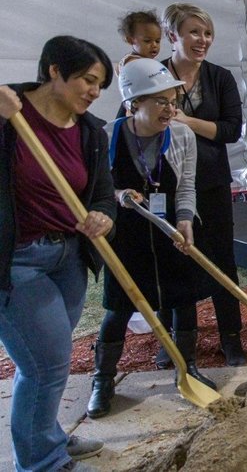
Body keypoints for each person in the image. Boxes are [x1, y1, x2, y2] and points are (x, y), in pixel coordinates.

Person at [1, 35, 114, 472]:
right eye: (88, 79)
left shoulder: (90, 132)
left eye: (100, 84)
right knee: (44, 364)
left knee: (52, 359)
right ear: (53, 71)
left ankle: (47, 437)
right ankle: (41, 462)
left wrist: (103, 217)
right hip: (17, 262)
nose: (94, 91)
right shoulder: (8, 111)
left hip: (68, 257)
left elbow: (101, 195)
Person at [88, 59, 215, 421]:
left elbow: (187, 184)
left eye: (172, 100)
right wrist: (117, 194)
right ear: (133, 104)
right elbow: (93, 189)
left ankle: (186, 367)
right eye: (159, 102)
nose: (170, 109)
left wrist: (186, 221)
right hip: (126, 236)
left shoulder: (182, 134)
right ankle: (104, 381)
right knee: (119, 306)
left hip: (170, 230)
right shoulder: (107, 136)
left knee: (182, 296)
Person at [141, 3, 246, 366]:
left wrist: (186, 121)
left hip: (213, 183)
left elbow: (232, 130)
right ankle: (178, 341)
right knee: (175, 261)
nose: (203, 40)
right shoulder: (153, 75)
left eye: (207, 33)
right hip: (166, 184)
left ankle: (231, 338)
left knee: (222, 260)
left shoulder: (220, 78)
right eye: (194, 33)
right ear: (173, 36)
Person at [115, 10, 162, 74]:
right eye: (147, 41)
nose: (154, 45)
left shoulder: (144, 61)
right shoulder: (132, 62)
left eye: (157, 41)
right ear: (130, 40)